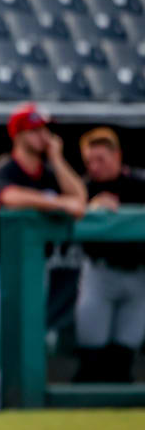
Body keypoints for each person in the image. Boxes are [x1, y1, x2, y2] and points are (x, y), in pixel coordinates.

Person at [0, 104, 88, 351]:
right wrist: (57, 202)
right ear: (18, 135)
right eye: (35, 130)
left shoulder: (48, 172)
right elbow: (9, 196)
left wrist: (57, 159)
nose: (43, 136)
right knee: (8, 337)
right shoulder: (5, 167)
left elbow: (80, 198)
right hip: (0, 263)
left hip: (36, 263)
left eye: (45, 130)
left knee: (31, 336)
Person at [74, 126, 145, 382]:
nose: (94, 167)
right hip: (99, 272)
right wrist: (89, 209)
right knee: (91, 350)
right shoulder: (82, 188)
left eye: (100, 159)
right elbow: (64, 209)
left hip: (137, 275)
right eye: (89, 161)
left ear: (117, 156)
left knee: (124, 352)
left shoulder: (138, 183)